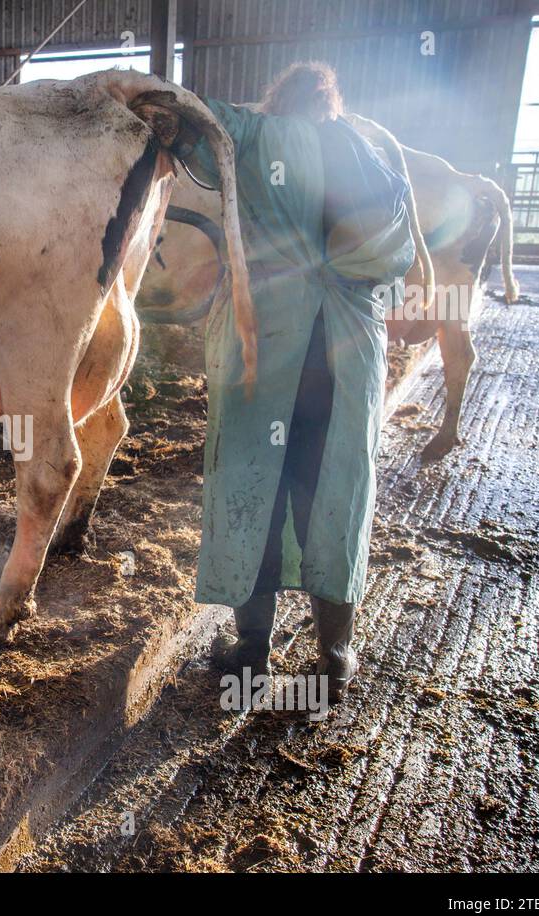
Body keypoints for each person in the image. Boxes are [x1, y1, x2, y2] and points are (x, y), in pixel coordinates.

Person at [182, 62, 416, 697]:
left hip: (268, 350)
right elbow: (398, 262)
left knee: (255, 484)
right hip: (346, 358)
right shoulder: (372, 157)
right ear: (332, 106)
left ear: (280, 100)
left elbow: (189, 116)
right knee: (332, 495)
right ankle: (334, 658)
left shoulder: (256, 137)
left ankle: (251, 655)